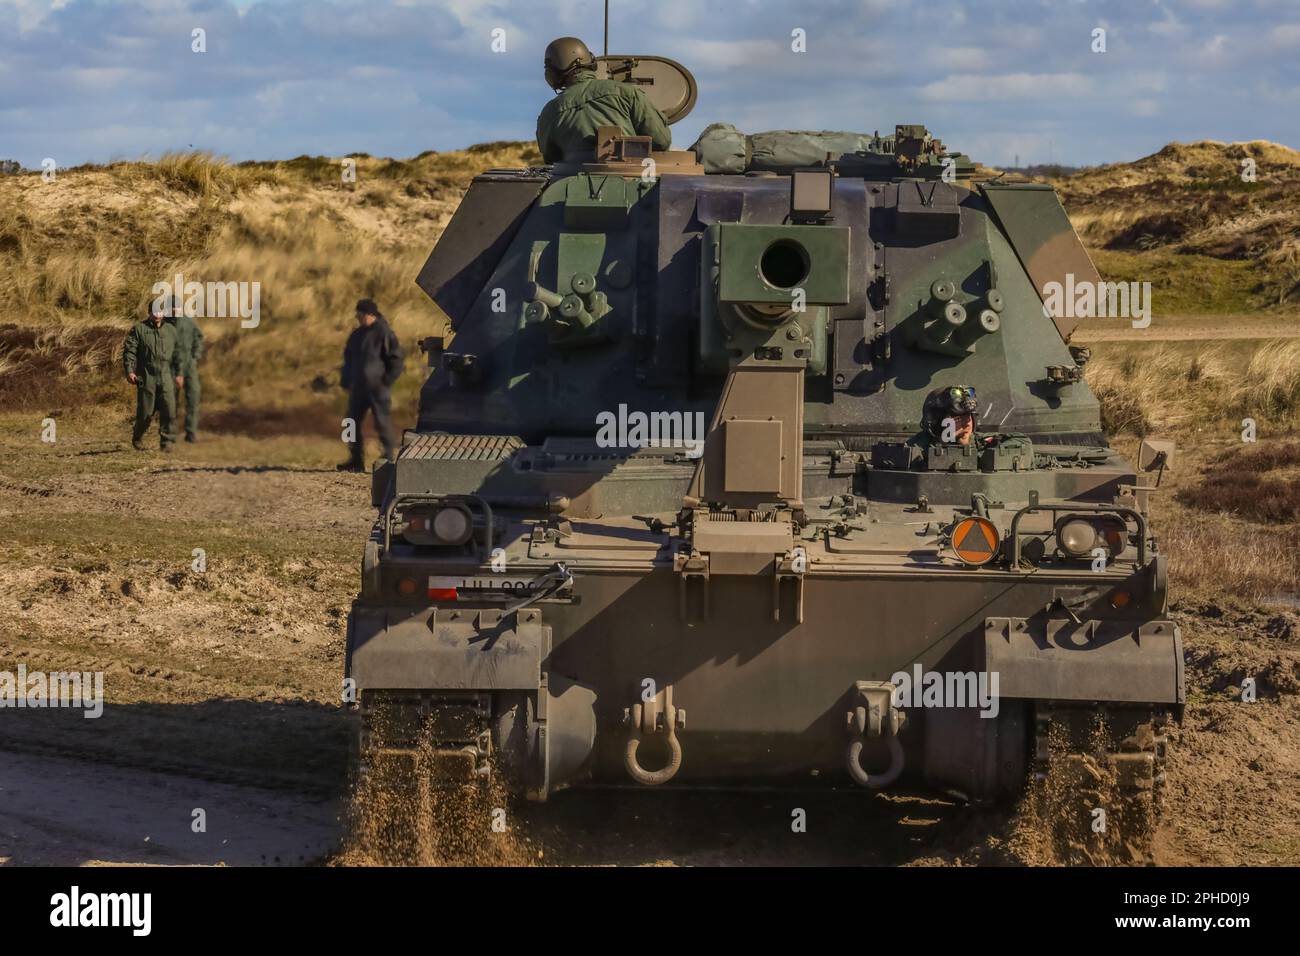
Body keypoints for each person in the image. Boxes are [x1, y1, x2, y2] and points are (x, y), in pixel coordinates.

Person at [536, 36, 672, 164]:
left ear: (554, 72)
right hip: (631, 180)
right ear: (591, 61)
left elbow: (551, 160)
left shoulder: (550, 112)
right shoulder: (627, 93)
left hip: (572, 185)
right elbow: (662, 141)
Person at [338, 298, 404, 472]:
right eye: (357, 315)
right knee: (350, 422)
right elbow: (348, 359)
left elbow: (396, 359)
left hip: (378, 387)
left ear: (370, 314)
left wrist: (386, 380)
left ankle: (389, 459)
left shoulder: (384, 333)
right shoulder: (356, 335)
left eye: (360, 315)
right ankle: (355, 459)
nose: (358, 318)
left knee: (382, 422)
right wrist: (346, 379)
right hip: (358, 387)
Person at [123, 304, 184, 452]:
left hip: (167, 377)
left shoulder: (171, 330)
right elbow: (130, 351)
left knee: (169, 411)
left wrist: (180, 374)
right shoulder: (139, 329)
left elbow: (178, 355)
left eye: (160, 311)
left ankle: (166, 442)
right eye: (154, 311)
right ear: (149, 312)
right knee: (145, 414)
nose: (157, 314)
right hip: (147, 377)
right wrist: (130, 371)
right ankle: (137, 437)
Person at [166, 303, 204, 442]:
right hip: (171, 368)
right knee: (171, 401)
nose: (175, 310)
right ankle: (170, 433)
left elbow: (199, 337)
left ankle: (191, 432)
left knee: (193, 397)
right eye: (173, 308)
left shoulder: (189, 322)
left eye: (178, 307)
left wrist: (195, 356)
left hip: (189, 366)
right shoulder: (164, 324)